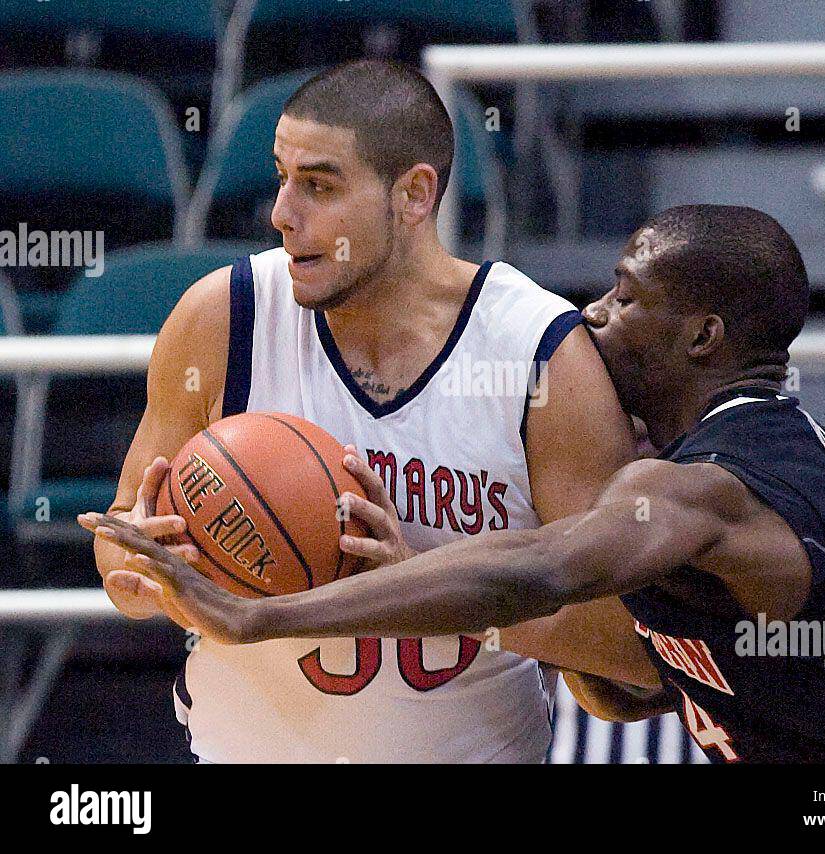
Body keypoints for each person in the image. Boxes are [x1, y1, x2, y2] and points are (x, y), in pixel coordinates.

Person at [85, 204, 825, 763]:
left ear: (702, 339)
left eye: (628, 298)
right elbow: (628, 687)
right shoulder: (769, 454)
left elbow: (545, 565)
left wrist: (264, 615)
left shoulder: (704, 489)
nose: (593, 314)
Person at [85, 59, 651, 763]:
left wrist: (428, 581)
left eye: (318, 185)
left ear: (414, 194)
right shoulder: (221, 318)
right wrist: (145, 568)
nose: (281, 213)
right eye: (280, 176)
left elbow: (632, 646)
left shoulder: (539, 354)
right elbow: (120, 546)